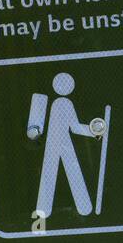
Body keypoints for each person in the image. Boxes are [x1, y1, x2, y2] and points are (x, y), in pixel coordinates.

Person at [32, 72, 99, 218]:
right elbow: (36, 127)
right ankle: (43, 210)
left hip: (65, 145)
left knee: (73, 174)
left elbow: (74, 127)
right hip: (53, 144)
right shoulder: (46, 100)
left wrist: (94, 131)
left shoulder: (66, 103)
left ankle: (84, 209)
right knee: (50, 174)